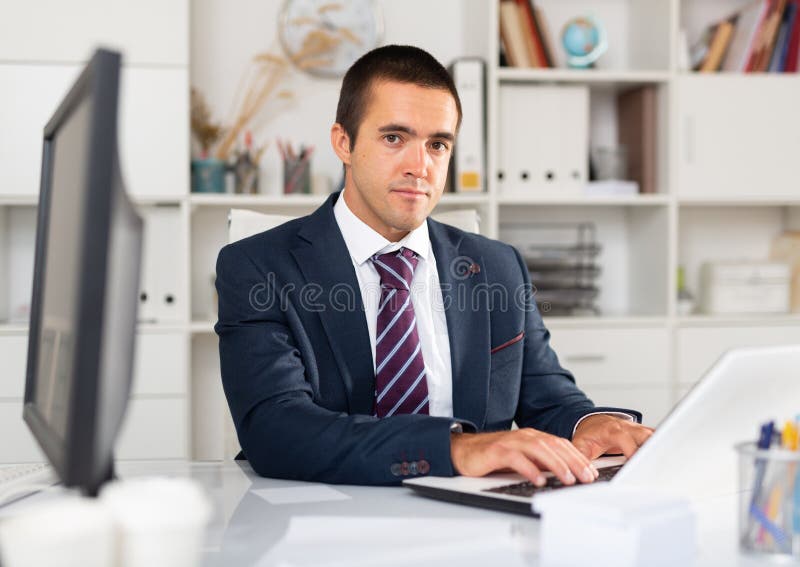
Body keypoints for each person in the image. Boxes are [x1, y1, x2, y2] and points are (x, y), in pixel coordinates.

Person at [215, 45, 653, 487]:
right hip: (324, 520)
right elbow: (275, 429)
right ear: (343, 143)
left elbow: (549, 399)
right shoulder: (257, 267)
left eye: (437, 144)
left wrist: (591, 424)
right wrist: (452, 448)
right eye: (394, 138)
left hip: (476, 516)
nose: (420, 166)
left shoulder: (498, 266)